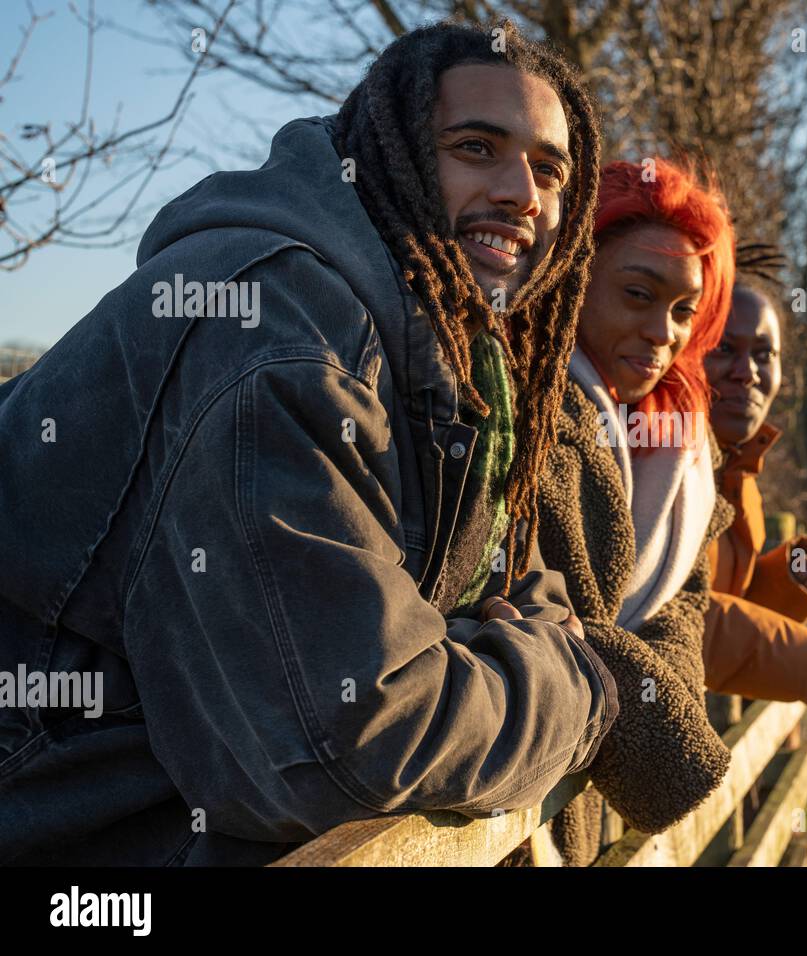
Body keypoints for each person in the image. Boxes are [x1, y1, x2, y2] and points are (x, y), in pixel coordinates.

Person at [0, 21, 621, 866]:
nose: (524, 192)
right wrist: (574, 689)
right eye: (477, 147)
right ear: (391, 153)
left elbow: (520, 582)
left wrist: (503, 659)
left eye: (550, 169)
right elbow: (347, 741)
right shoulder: (276, 336)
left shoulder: (465, 356)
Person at [529, 158, 737, 866]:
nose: (663, 333)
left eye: (684, 311)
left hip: (589, 809)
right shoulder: (521, 411)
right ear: (573, 280)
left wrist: (651, 687)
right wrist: (652, 722)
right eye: (638, 294)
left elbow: (683, 604)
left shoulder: (678, 446)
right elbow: (528, 624)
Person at [701, 276, 807, 706]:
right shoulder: (658, 456)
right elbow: (662, 621)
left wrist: (787, 583)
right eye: (725, 349)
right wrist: (805, 662)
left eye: (765, 355)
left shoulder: (738, 469)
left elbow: (728, 598)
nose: (747, 373)